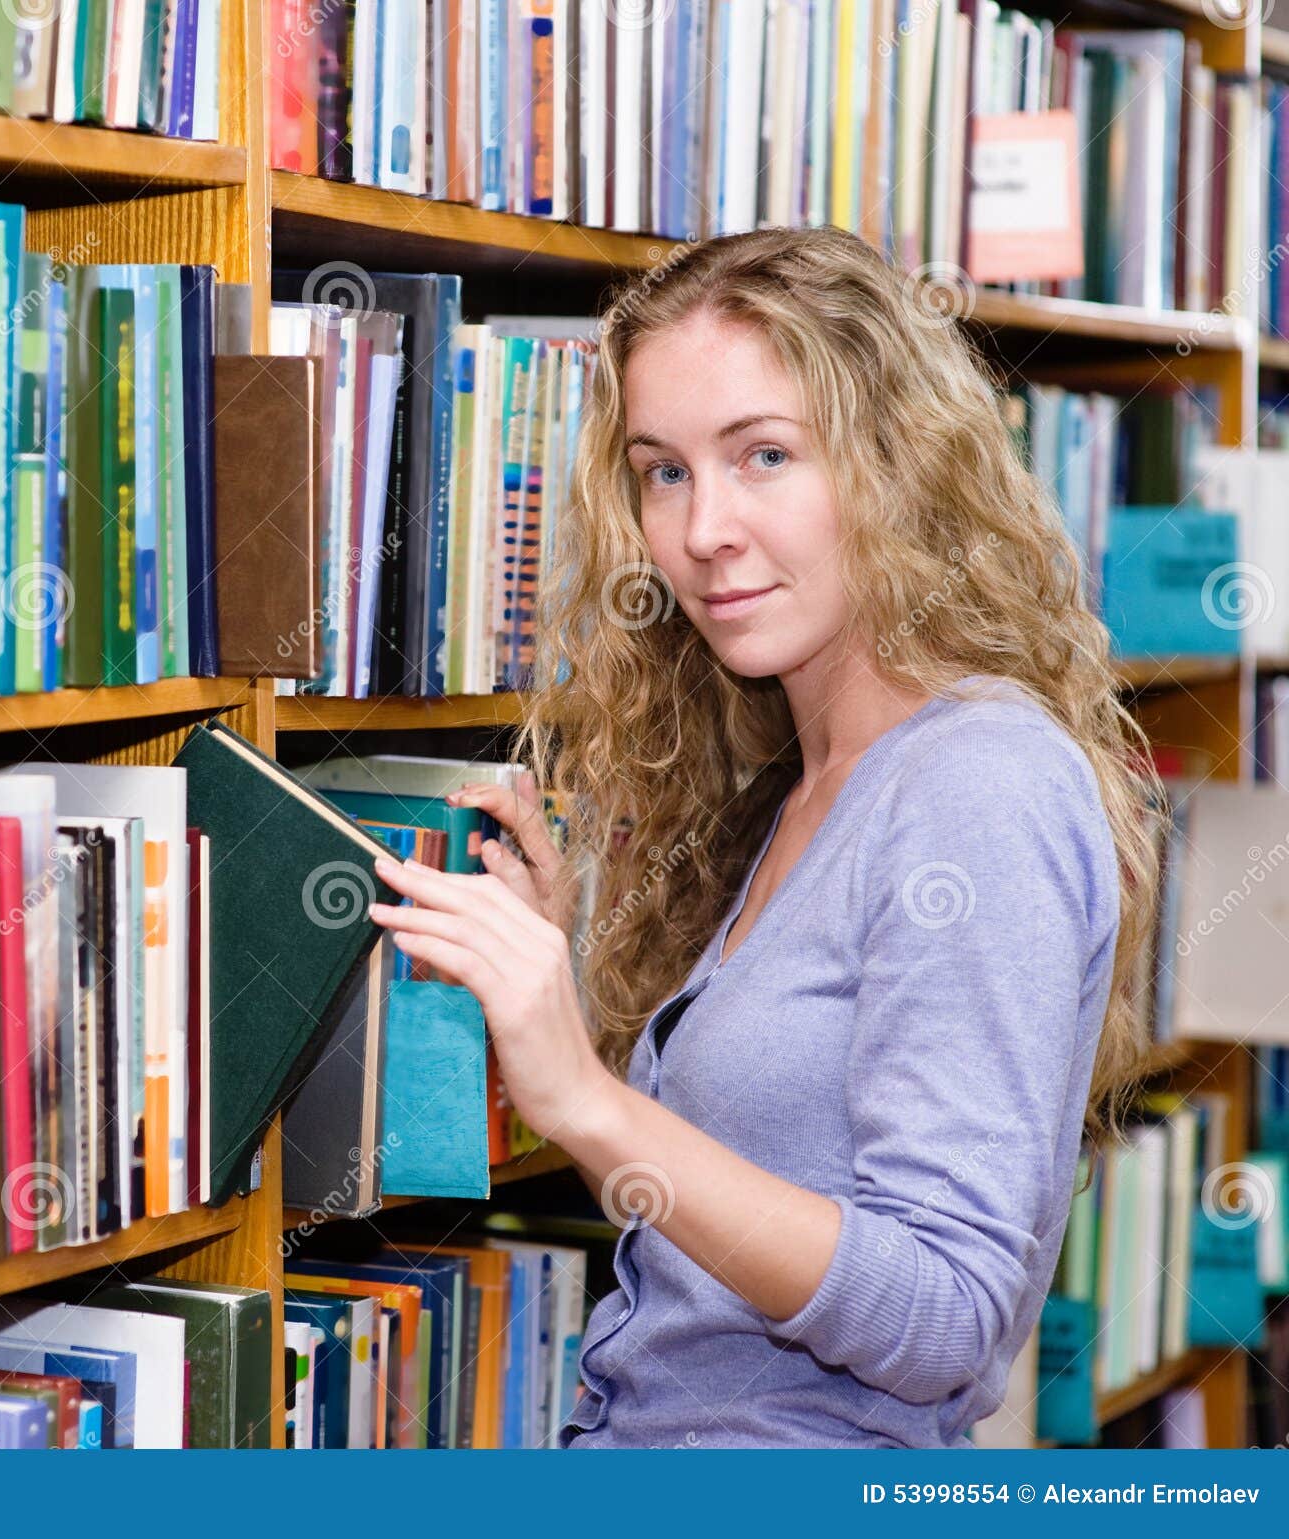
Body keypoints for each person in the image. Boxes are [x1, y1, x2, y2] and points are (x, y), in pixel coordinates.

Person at [366, 224, 1160, 1448]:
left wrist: (583, 1093)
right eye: (663, 470)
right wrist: (556, 990)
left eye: (765, 456)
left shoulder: (979, 784)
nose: (703, 531)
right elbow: (708, 1239)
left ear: (894, 464)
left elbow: (944, 1315)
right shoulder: (795, 782)